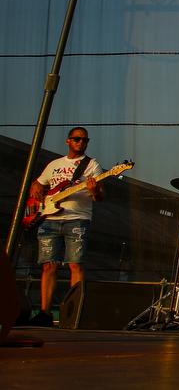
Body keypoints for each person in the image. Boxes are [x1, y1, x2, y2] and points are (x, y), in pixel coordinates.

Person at [28, 127, 105, 326]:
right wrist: (35, 184)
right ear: (68, 141)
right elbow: (39, 183)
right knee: (48, 266)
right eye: (77, 139)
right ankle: (45, 315)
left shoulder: (92, 165)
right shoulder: (55, 164)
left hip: (77, 219)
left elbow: (100, 197)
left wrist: (94, 190)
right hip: (49, 219)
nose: (81, 142)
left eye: (85, 140)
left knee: (75, 265)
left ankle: (73, 314)